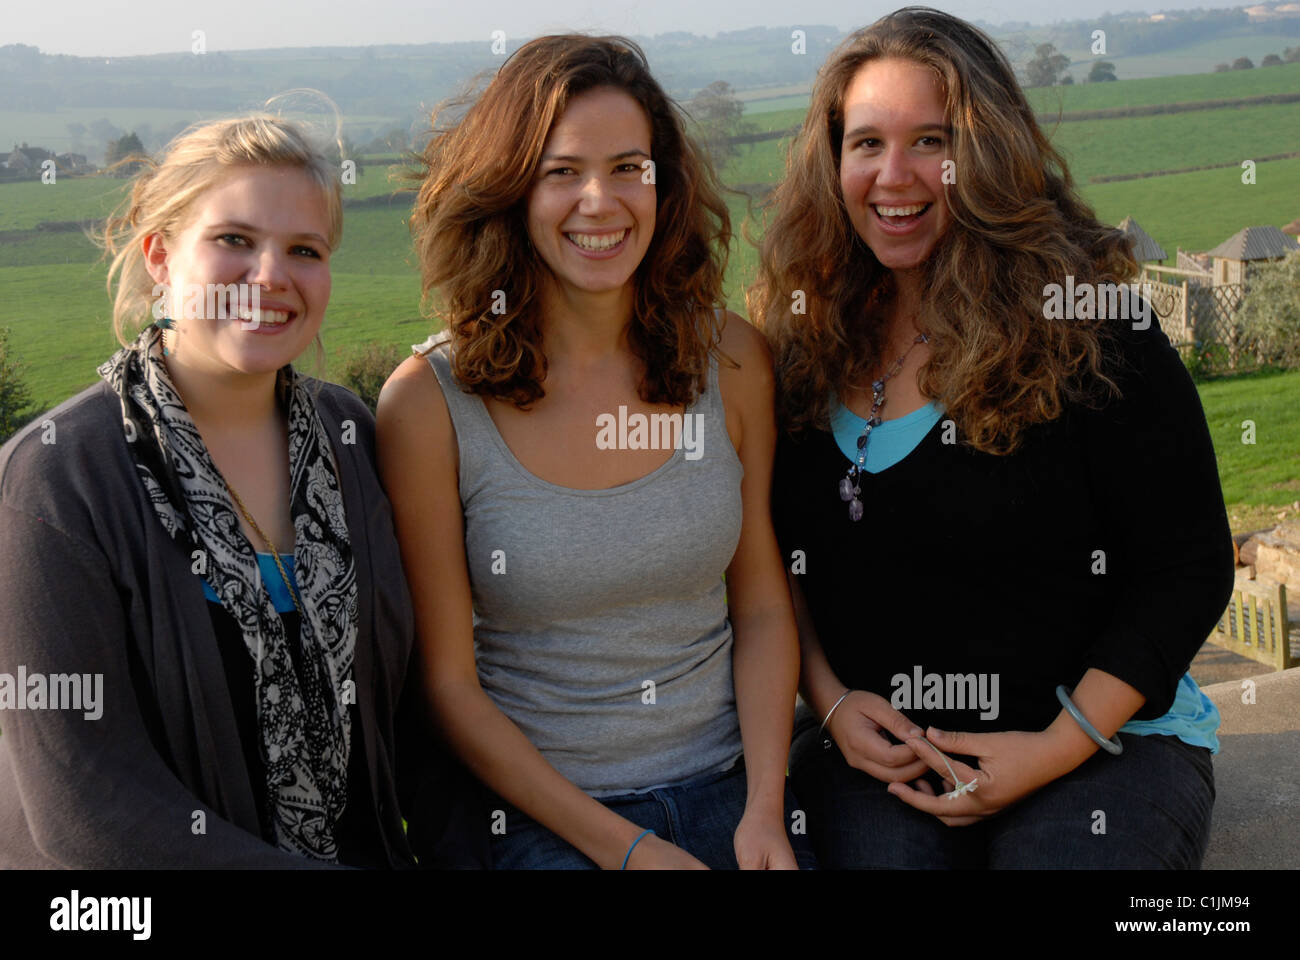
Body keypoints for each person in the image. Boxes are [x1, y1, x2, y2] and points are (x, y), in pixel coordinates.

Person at [751, 7, 1234, 868]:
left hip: (1101, 746)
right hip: (882, 756)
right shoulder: (801, 337)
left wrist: (1057, 745)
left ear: (987, 153)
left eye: (931, 141)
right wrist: (827, 701)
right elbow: (772, 557)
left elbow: (1187, 564)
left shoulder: (1091, 323)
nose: (894, 176)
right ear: (832, 163)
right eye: (865, 143)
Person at [378, 35, 811, 869]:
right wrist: (629, 850)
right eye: (561, 172)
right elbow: (450, 688)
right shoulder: (431, 404)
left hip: (735, 786)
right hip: (537, 818)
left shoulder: (731, 360)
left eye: (628, 167)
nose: (600, 201)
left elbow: (760, 605)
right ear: (509, 192)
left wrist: (765, 808)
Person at [0, 114, 419, 867]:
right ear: (161, 254)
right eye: (233, 240)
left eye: (304, 250)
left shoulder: (349, 437)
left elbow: (410, 711)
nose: (270, 276)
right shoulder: (59, 478)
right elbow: (88, 805)